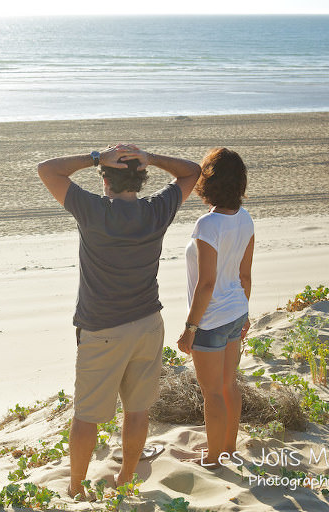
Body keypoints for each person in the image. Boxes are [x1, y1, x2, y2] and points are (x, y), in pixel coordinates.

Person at [38, 144, 201, 497]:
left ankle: (77, 487)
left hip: (103, 329)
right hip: (147, 323)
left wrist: (96, 157)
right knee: (137, 409)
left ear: (106, 179)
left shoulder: (94, 210)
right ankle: (126, 477)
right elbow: (192, 171)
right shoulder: (157, 209)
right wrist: (152, 157)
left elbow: (48, 169)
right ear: (141, 178)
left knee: (86, 416)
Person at [175, 147, 254, 468]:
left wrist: (189, 329)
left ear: (210, 183)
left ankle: (213, 457)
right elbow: (245, 276)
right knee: (228, 385)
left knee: (212, 394)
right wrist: (245, 314)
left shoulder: (207, 226)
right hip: (236, 312)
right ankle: (229, 448)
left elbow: (206, 284)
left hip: (210, 321)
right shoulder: (246, 218)